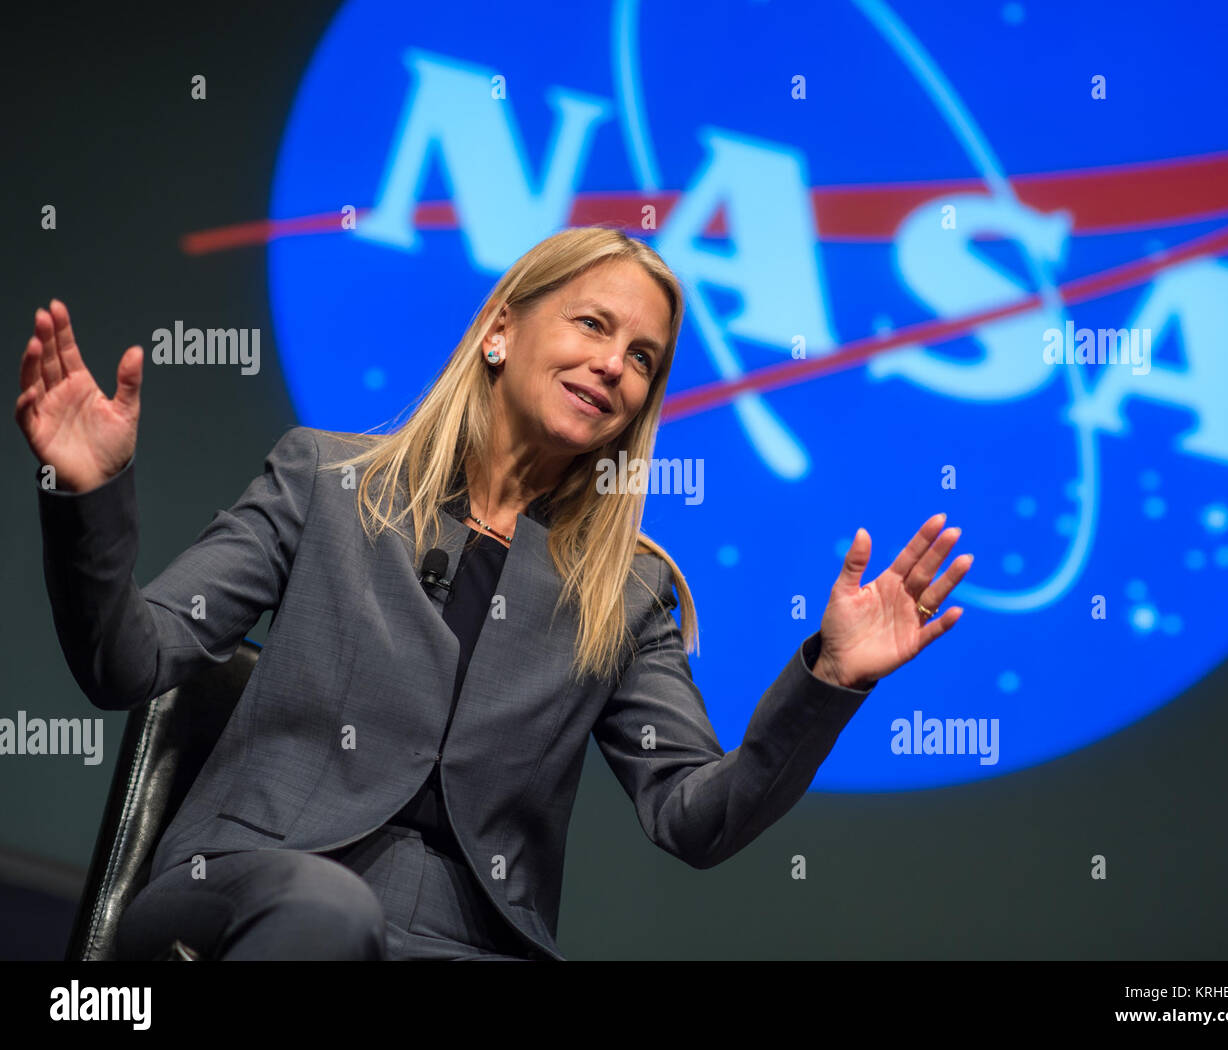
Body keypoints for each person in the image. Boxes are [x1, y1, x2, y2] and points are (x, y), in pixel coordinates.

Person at [16, 226, 972, 961]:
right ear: (500, 331)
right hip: (249, 892)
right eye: (594, 325)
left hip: (470, 938)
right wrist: (84, 493)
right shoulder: (328, 483)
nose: (613, 364)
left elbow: (694, 817)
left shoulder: (625, 594)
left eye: (642, 357)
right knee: (325, 911)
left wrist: (831, 681)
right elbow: (126, 661)